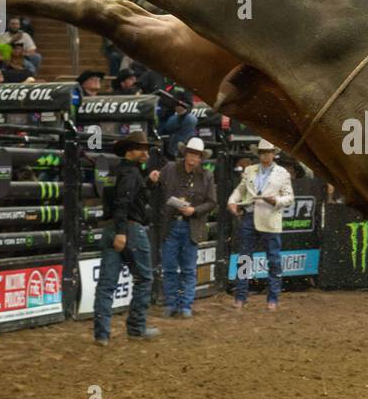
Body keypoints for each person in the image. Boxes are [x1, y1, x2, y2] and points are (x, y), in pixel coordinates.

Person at [93, 130, 160, 344]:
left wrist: (147, 183)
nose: (146, 153)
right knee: (144, 278)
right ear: (131, 151)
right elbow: (125, 202)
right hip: (129, 229)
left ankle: (102, 334)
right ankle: (136, 328)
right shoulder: (131, 174)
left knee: (106, 283)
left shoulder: (120, 172)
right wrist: (122, 232)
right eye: (141, 149)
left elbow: (123, 199)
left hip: (112, 226)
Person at [226, 139, 294, 311]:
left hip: (270, 218)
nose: (265, 155)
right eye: (262, 152)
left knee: (273, 260)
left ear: (273, 154)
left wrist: (275, 201)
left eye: (268, 152)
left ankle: (273, 298)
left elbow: (289, 198)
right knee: (244, 258)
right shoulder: (250, 170)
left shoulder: (282, 173)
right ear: (259, 154)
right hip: (250, 215)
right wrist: (232, 201)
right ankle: (240, 296)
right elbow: (240, 189)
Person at [159, 137, 216, 319]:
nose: (193, 157)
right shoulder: (169, 169)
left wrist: (195, 210)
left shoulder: (206, 175)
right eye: (191, 153)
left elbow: (212, 202)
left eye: (197, 155)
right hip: (171, 224)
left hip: (190, 225)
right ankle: (171, 303)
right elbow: (155, 185)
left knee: (189, 269)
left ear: (201, 158)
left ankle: (185, 305)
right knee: (169, 268)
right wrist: (152, 177)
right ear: (185, 154)